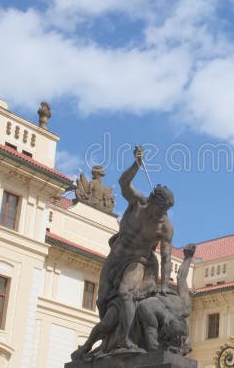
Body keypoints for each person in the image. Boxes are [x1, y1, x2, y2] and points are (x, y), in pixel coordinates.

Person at [72, 146, 175, 359]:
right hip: (117, 256)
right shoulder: (137, 203)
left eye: (166, 211)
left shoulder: (164, 227)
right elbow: (123, 184)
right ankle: (108, 340)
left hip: (139, 261)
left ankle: (127, 340)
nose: (163, 214)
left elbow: (165, 257)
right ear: (153, 202)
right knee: (103, 302)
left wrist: (163, 285)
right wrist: (137, 164)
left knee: (126, 292)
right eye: (161, 209)